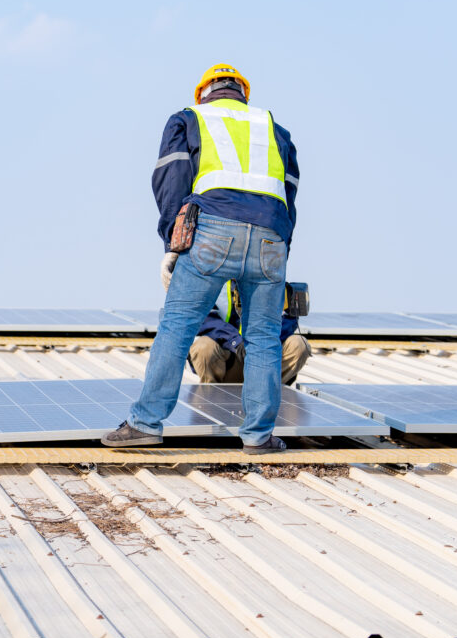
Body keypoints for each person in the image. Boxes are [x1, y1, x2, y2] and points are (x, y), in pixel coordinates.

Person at [102, 63, 299, 452]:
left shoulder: (189, 118)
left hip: (213, 227)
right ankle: (258, 437)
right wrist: (280, 246)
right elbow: (290, 195)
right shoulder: (273, 128)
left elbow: (171, 181)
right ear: (243, 93)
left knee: (176, 327)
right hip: (271, 234)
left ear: (203, 93)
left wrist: (173, 244)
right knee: (263, 338)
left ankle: (145, 424)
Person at [188, 281, 311, 384]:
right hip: (229, 359)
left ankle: (272, 391)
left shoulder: (272, 281)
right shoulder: (213, 284)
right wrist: (235, 341)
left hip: (265, 361)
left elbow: (289, 319)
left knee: (299, 344)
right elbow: (204, 319)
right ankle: (213, 396)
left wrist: (263, 340)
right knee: (203, 347)